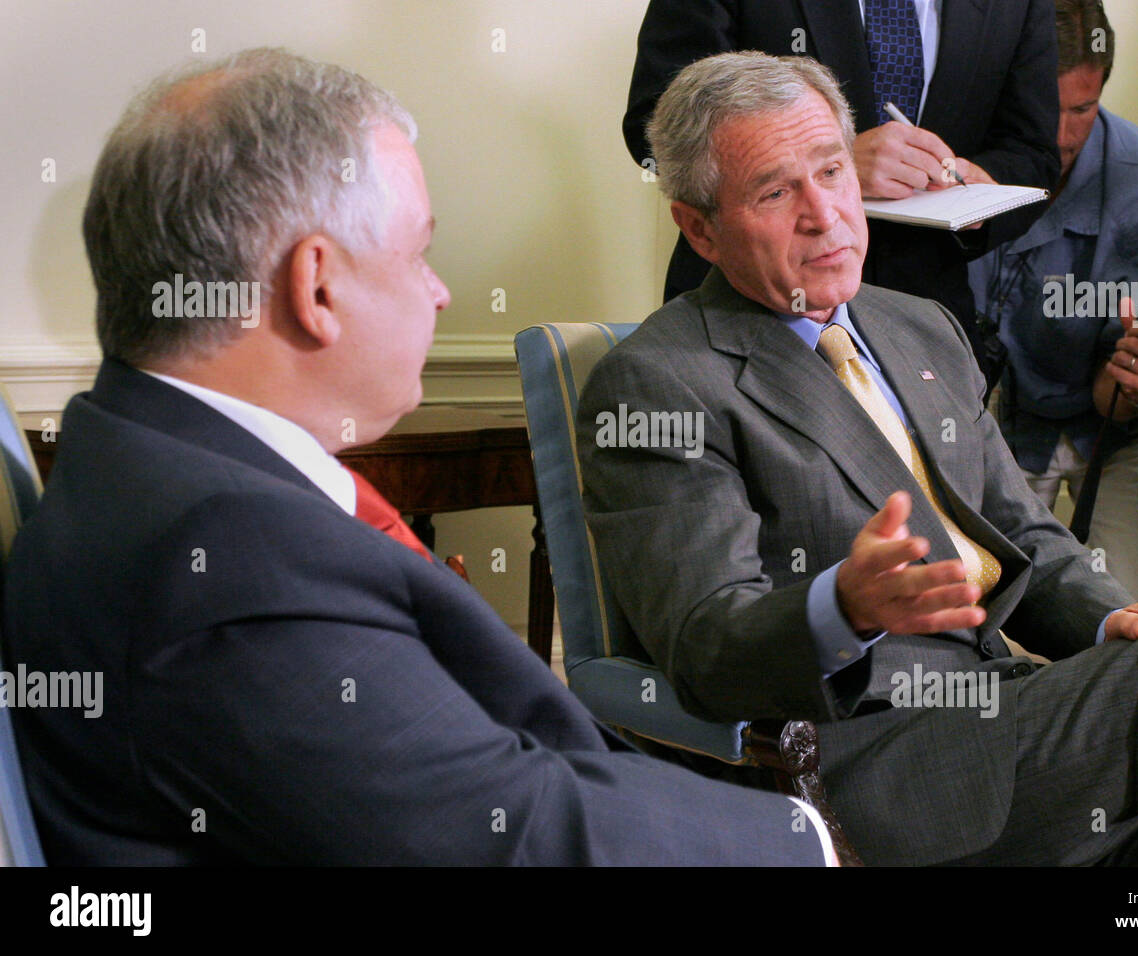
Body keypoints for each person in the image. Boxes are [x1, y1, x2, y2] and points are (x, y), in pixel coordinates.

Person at [0, 48, 834, 866]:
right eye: (419, 253)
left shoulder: (142, 457)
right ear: (316, 287)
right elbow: (507, 832)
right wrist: (805, 845)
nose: (437, 292)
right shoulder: (225, 558)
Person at [579, 51, 1138, 865]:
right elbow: (707, 646)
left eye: (831, 172)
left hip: (1007, 721)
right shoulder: (656, 383)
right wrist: (841, 607)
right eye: (776, 193)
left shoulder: (917, 326)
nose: (826, 214)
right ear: (699, 227)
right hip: (867, 764)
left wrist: (1117, 619)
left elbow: (1028, 537)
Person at [623, 0, 1061, 390]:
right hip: (748, 319)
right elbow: (658, 129)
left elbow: (1033, 152)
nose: (827, 217)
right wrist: (834, 162)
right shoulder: (661, 383)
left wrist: (973, 185)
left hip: (926, 317)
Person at [968, 0, 1138, 600]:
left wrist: (1134, 381)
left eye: (1084, 109)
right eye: (1049, 107)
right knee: (982, 624)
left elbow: (1125, 389)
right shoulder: (967, 161)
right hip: (994, 417)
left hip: (1113, 434)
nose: (1062, 136)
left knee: (1133, 623)